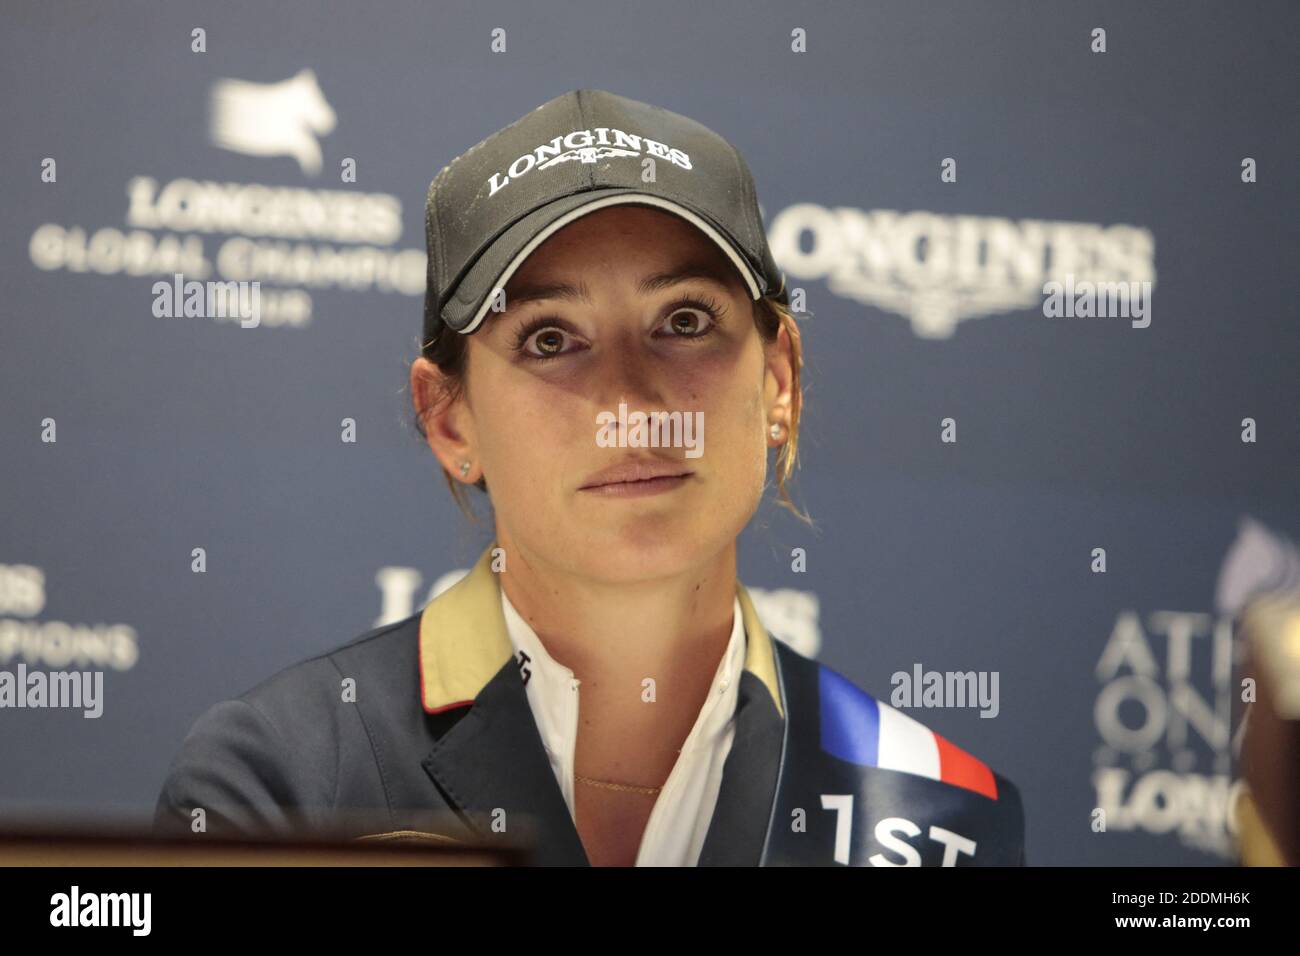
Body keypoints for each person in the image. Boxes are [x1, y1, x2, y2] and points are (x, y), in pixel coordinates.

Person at [154, 89, 1025, 866]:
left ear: (779, 381)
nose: (629, 401)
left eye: (683, 321)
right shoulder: (286, 782)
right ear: (451, 419)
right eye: (549, 338)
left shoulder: (935, 811)